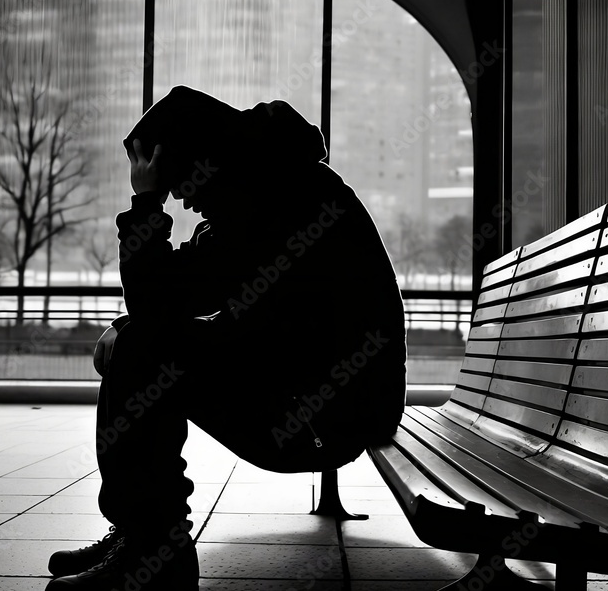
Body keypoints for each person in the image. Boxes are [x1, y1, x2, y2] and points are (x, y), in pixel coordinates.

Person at [45, 86, 407, 590]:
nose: (181, 198)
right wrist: (132, 328)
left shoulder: (275, 201)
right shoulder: (269, 184)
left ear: (201, 159)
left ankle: (154, 553)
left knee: (143, 352)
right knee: (139, 342)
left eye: (176, 179)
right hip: (325, 396)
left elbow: (160, 302)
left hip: (329, 417)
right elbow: (174, 303)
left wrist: (146, 202)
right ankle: (139, 533)